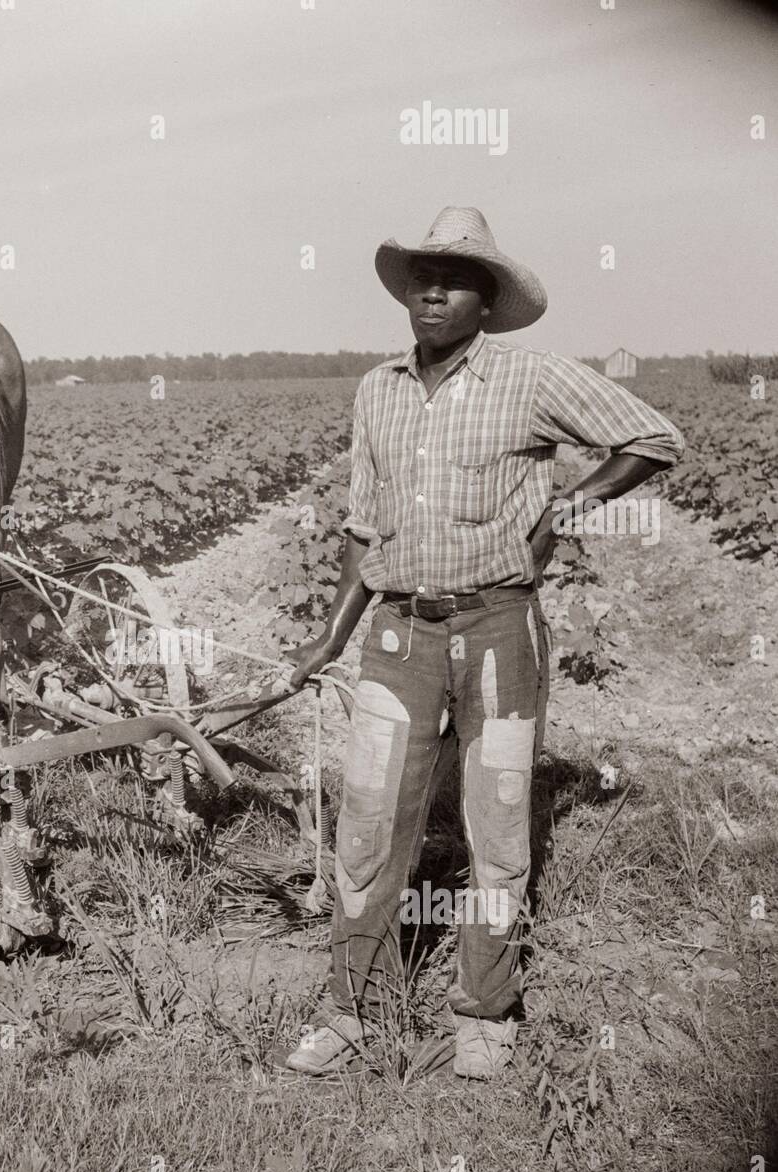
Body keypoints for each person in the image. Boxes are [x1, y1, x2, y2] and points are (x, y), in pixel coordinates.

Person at [282, 206, 684, 1079]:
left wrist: (567, 508)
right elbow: (363, 526)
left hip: (499, 625)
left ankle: (484, 1012)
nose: (433, 291)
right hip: (398, 632)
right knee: (368, 826)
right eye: (423, 276)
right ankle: (355, 1010)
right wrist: (331, 634)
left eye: (456, 279)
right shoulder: (377, 389)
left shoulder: (529, 378)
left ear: (487, 299)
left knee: (496, 828)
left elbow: (654, 436)